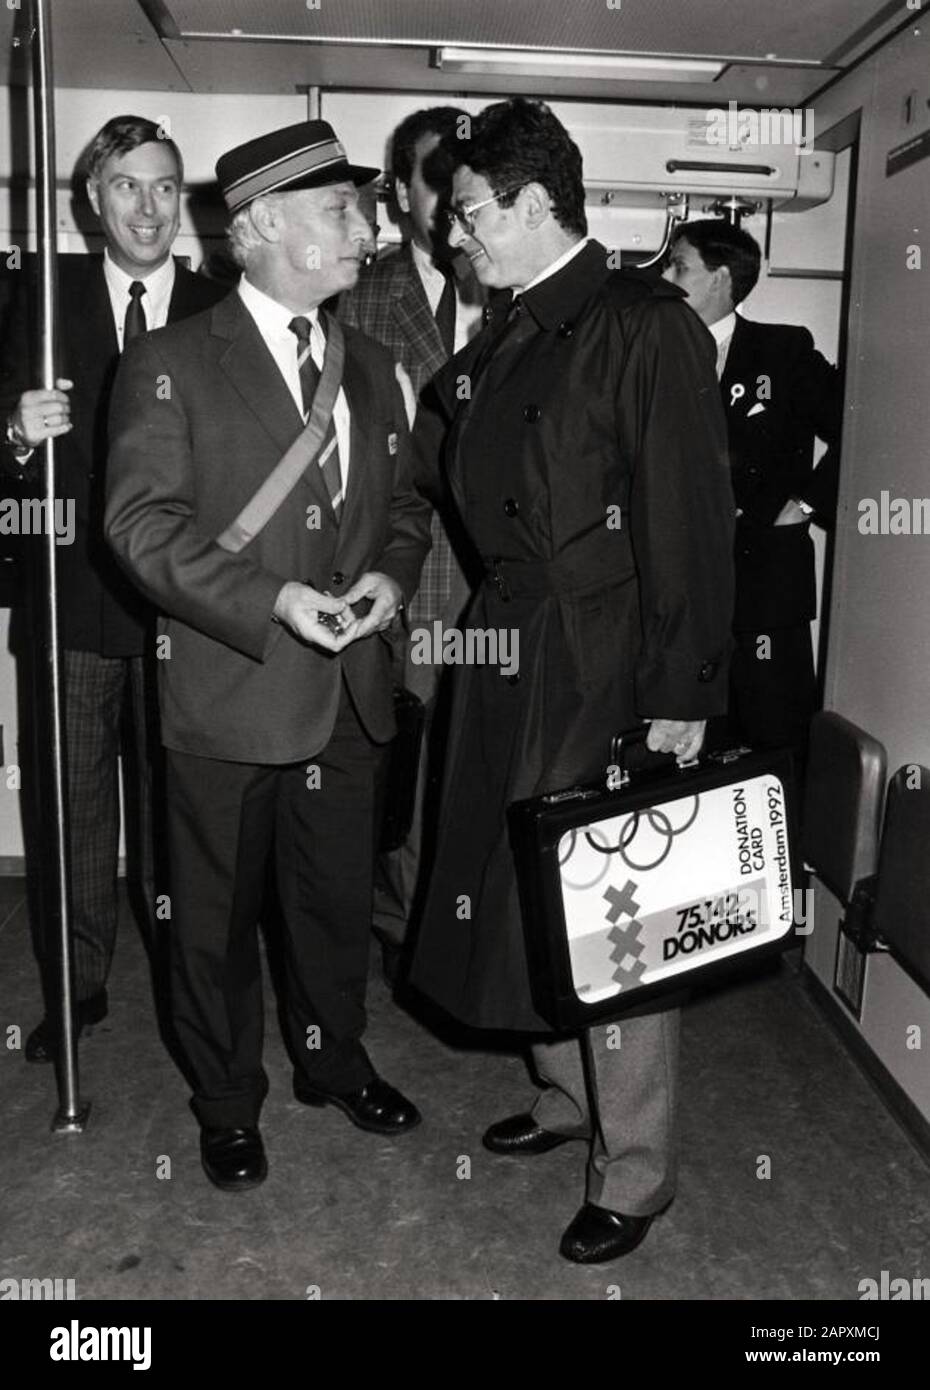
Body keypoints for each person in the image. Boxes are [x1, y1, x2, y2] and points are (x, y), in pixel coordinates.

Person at [406, 99, 735, 1263]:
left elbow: (691, 521)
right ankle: (564, 1096)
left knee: (615, 913)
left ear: (537, 205)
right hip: (510, 645)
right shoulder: (507, 330)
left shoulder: (643, 324)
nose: (457, 236)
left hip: (603, 662)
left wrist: (685, 691)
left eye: (472, 214)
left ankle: (635, 1170)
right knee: (512, 886)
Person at [105, 119, 432, 1191]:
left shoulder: (376, 368)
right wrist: (275, 598)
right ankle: (226, 1100)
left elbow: (404, 510)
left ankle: (333, 1059)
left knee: (335, 899)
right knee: (211, 915)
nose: (366, 228)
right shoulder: (167, 365)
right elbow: (141, 528)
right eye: (341, 211)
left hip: (347, 697)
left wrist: (390, 573)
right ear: (258, 229)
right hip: (227, 692)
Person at [0, 115, 225, 1063]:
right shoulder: (35, 300)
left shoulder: (223, 308)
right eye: (128, 186)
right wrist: (13, 433)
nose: (148, 206)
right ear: (93, 201)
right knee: (72, 813)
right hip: (73, 604)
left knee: (185, 819)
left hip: (190, 616)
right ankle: (77, 988)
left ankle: (195, 991)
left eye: (165, 187)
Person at [338, 106, 484, 976]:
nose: (454, 197)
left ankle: (469, 930)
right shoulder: (358, 298)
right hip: (408, 577)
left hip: (512, 581)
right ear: (399, 191)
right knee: (404, 763)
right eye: (435, 176)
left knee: (487, 767)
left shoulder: (517, 289)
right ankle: (400, 929)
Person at [663, 219, 843, 771]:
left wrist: (807, 506)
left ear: (719, 278)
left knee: (775, 738)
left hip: (767, 584)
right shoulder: (655, 353)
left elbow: (864, 427)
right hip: (683, 589)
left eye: (680, 267)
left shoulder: (783, 351)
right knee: (687, 747)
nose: (667, 278)